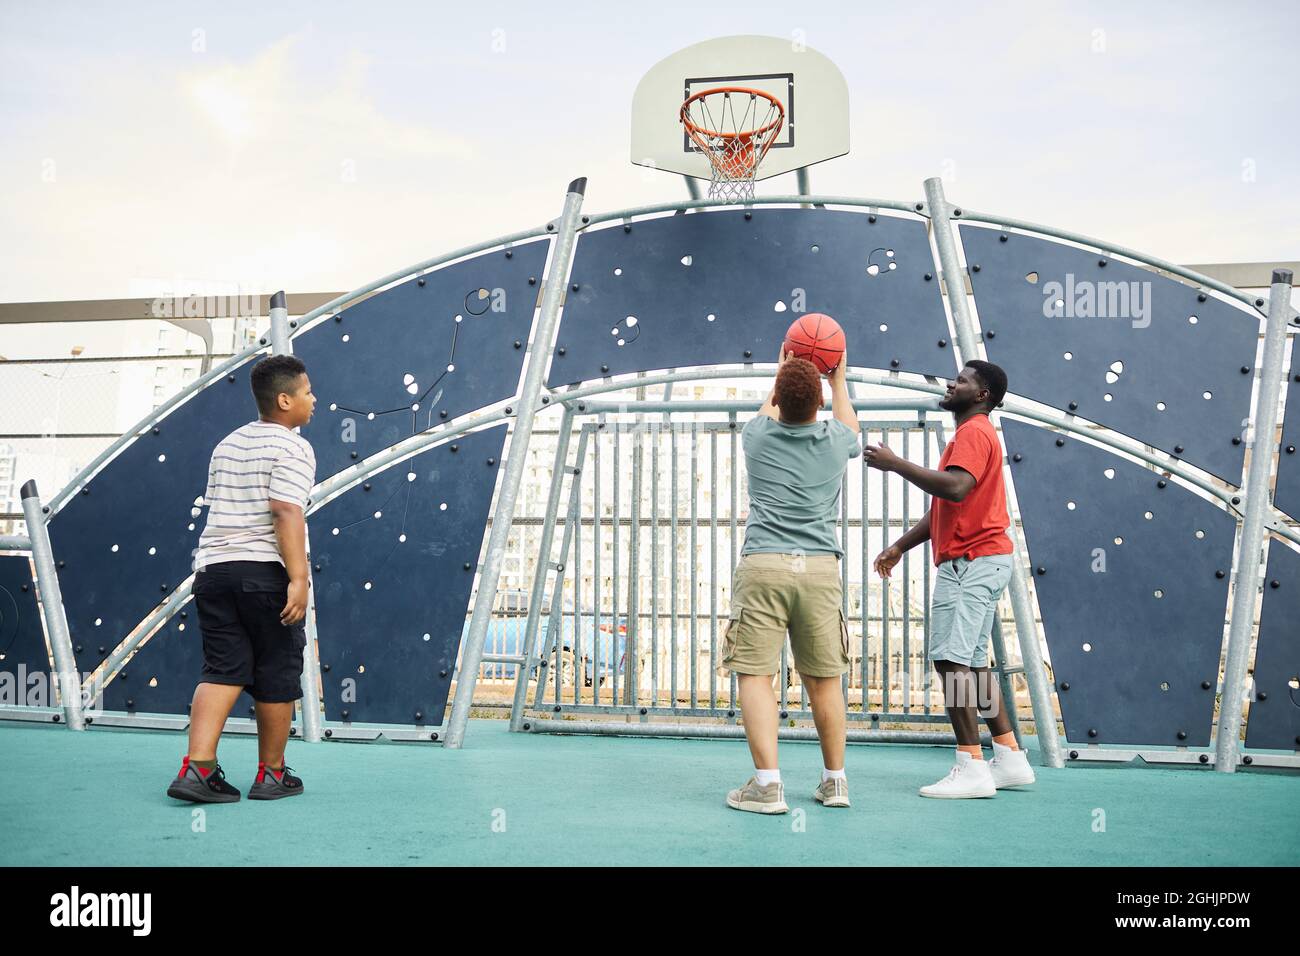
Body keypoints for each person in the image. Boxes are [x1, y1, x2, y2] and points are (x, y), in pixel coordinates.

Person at [866, 360, 1036, 798]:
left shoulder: (974, 432)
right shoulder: (973, 434)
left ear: (982, 395)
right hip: (983, 559)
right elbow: (950, 504)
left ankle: (970, 764)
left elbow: (955, 489)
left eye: (961, 380)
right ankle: (1010, 758)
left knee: (951, 661)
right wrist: (901, 546)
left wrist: (895, 463)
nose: (950, 383)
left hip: (972, 562)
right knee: (972, 663)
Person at [166, 354, 317, 803]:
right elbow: (284, 510)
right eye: (308, 392)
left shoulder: (227, 444)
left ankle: (198, 769)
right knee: (277, 669)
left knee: (222, 670)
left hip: (213, 572)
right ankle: (271, 775)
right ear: (285, 399)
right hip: (264, 574)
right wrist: (298, 578)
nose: (314, 399)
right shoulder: (294, 447)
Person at [722, 344, 861, 814]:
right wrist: (837, 379)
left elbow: (773, 406)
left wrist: (783, 370)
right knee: (825, 681)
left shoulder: (756, 436)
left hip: (763, 564)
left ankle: (766, 786)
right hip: (819, 568)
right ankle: (835, 781)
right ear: (820, 404)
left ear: (777, 399)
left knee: (755, 674)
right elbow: (851, 429)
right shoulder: (837, 441)